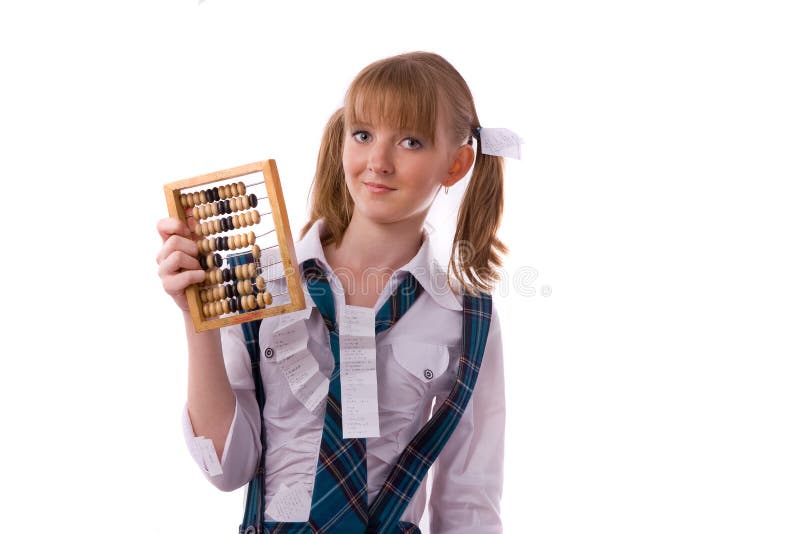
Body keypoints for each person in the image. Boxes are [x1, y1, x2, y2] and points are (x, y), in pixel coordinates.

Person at [156, 51, 508, 533]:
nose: (377, 162)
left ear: (456, 163)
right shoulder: (259, 283)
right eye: (363, 135)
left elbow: (470, 501)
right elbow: (227, 468)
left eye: (410, 141)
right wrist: (197, 319)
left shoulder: (467, 318)